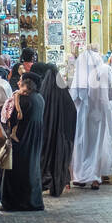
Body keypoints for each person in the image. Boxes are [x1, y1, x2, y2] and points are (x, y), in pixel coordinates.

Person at [70, 46, 112, 189]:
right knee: (98, 144)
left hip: (84, 115)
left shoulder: (80, 73)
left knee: (82, 145)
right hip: (100, 113)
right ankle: (96, 178)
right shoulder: (106, 70)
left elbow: (74, 96)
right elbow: (111, 94)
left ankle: (81, 177)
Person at [1, 71, 45, 211]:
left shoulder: (22, 100)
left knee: (17, 171)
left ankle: (16, 203)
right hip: (33, 141)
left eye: (21, 80)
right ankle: (32, 201)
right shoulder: (39, 98)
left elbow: (11, 120)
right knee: (32, 170)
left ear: (27, 84)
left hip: (21, 141)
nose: (19, 83)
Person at [35, 61, 76, 197]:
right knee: (59, 158)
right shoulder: (64, 93)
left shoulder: (43, 94)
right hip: (61, 135)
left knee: (45, 157)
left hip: (46, 135)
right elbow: (72, 112)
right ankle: (58, 184)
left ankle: (42, 183)